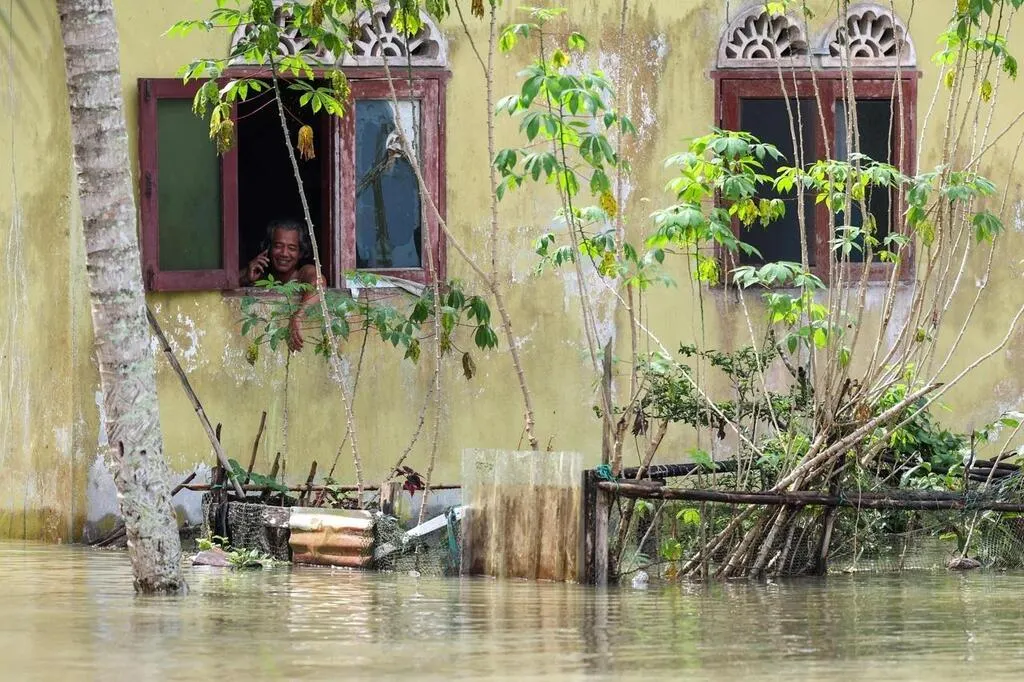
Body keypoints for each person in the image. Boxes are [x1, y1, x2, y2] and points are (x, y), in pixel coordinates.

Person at [240, 219, 324, 352]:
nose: (284, 253)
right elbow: (226, 281)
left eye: (292, 248)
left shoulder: (303, 273)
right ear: (268, 248)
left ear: (300, 253)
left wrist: (298, 316)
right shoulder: (258, 273)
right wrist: (245, 278)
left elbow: (318, 282)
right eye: (278, 246)